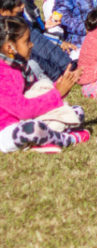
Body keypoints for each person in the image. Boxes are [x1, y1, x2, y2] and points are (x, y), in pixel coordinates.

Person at [0, 17, 88, 153]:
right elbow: (23, 110)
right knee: (31, 129)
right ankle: (68, 138)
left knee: (77, 112)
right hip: (6, 130)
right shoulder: (3, 74)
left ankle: (43, 139)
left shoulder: (19, 65)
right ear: (9, 47)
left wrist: (61, 85)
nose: (31, 45)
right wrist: (57, 93)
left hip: (24, 120)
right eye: (26, 41)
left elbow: (35, 95)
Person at [0, 0, 71, 81]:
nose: (23, 6)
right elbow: (33, 57)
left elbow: (42, 45)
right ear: (4, 11)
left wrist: (67, 65)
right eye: (18, 4)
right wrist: (58, 76)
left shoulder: (17, 20)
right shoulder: (10, 30)